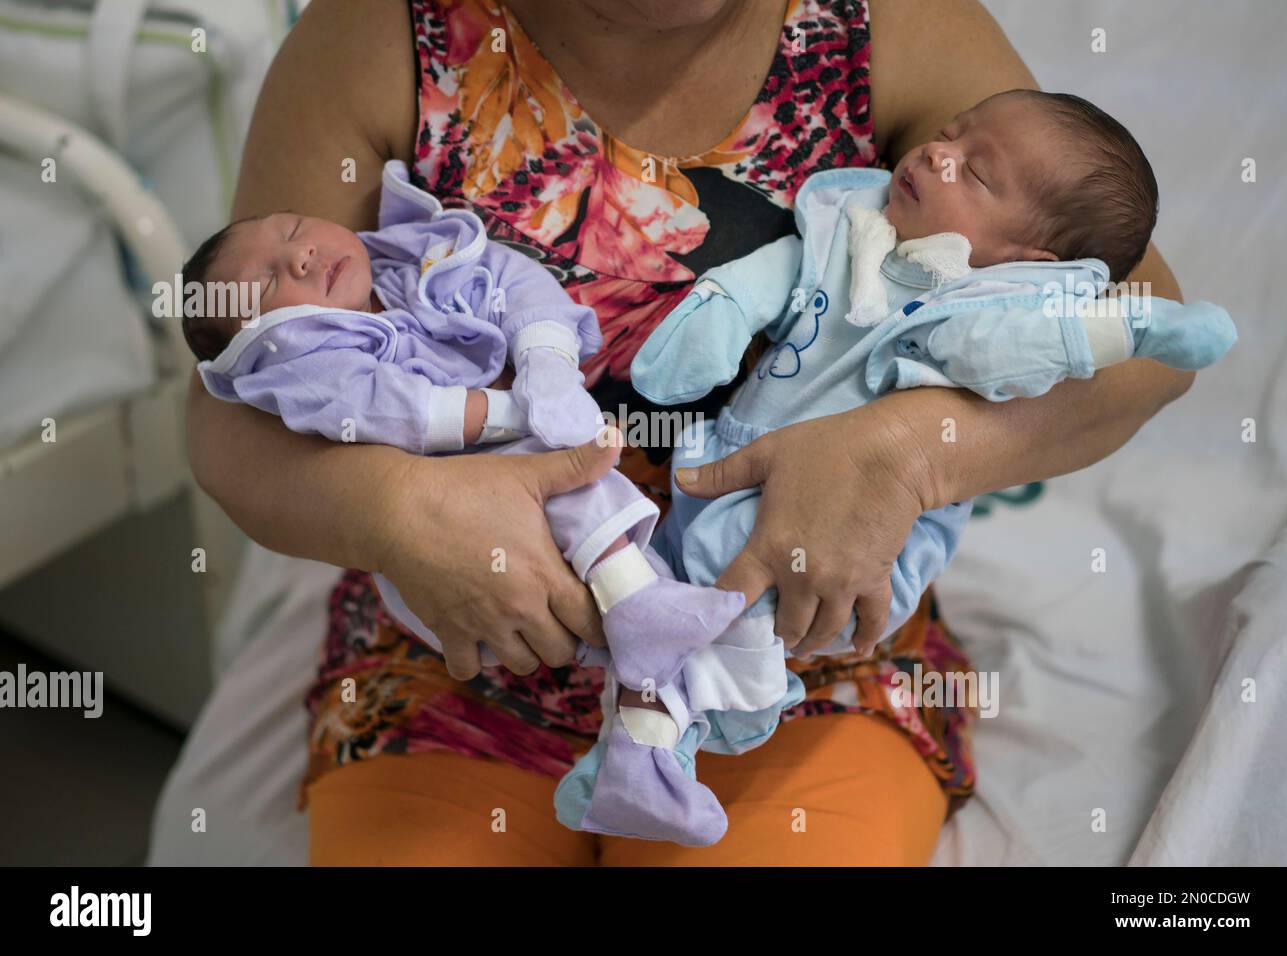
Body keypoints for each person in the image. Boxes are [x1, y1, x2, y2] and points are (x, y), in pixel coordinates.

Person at [187, 0, 1193, 866]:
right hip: (462, 657)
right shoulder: (380, 37)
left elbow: (1146, 332)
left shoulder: (888, 27)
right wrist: (389, 508)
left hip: (790, 665)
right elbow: (225, 407)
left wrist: (909, 451)